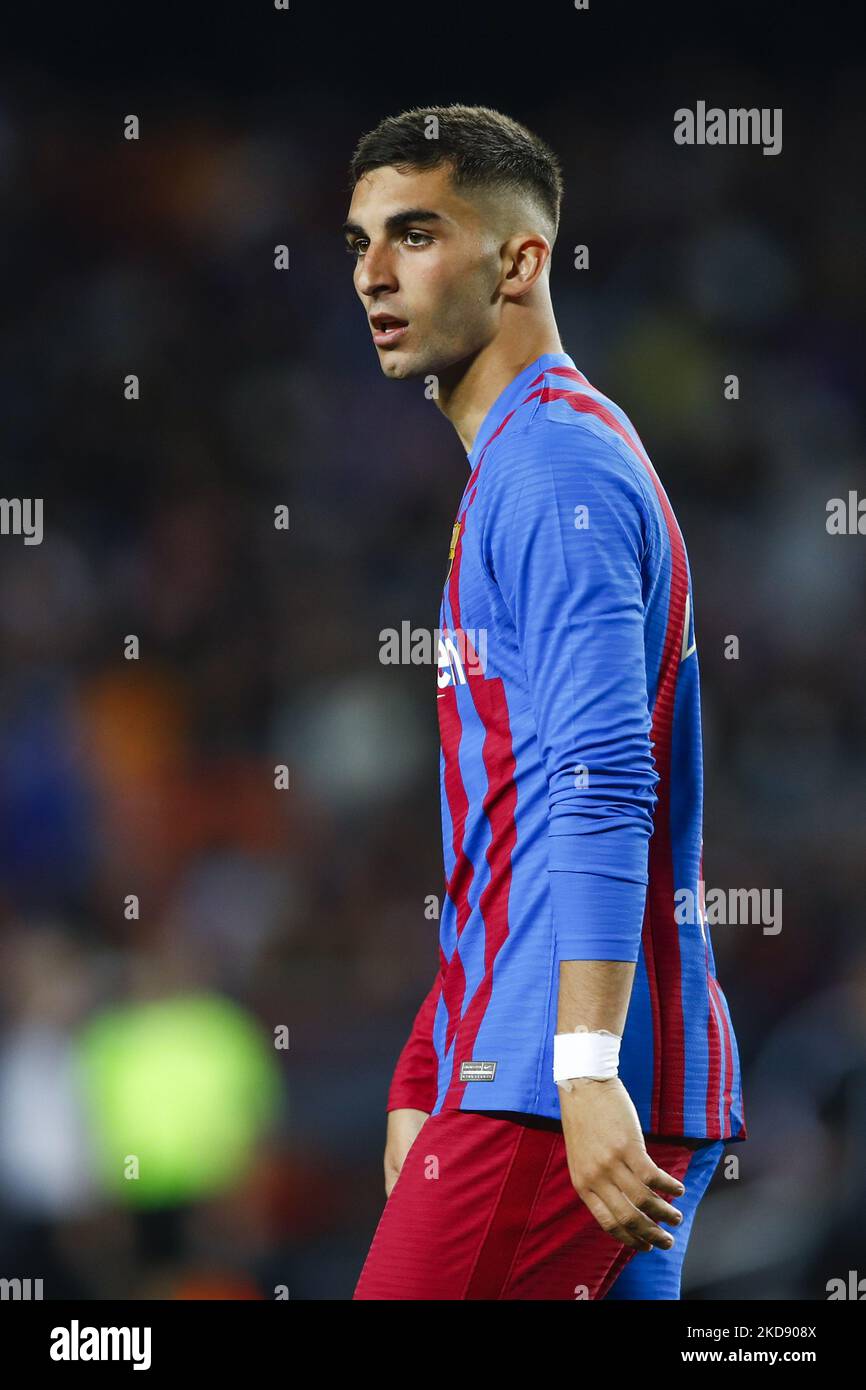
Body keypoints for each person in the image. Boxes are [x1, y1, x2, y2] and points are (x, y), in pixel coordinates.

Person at [342, 104, 746, 1300]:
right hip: (530, 1066)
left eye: (414, 233)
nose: (372, 272)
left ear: (519, 259)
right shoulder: (523, 461)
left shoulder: (554, 467)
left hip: (553, 1090)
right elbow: (504, 840)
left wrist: (578, 1067)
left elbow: (603, 778)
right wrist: (425, 1065)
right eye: (359, 239)